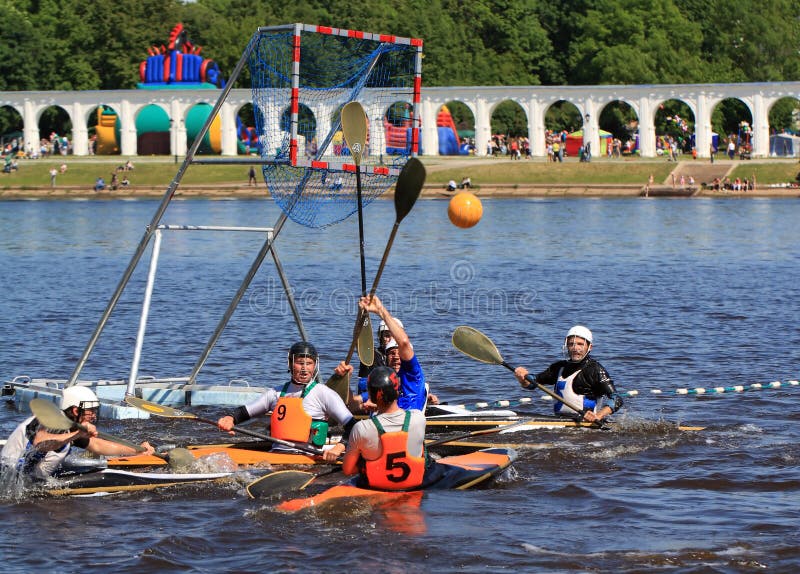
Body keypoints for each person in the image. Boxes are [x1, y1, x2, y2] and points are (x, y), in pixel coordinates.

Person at [217, 342, 354, 462]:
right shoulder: (275, 394)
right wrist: (230, 419)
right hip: (276, 456)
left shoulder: (324, 393)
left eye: (309, 363)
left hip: (307, 458)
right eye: (300, 363)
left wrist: (339, 448)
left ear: (315, 365)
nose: (305, 369)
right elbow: (243, 412)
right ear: (290, 363)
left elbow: (354, 427)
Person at [1, 387, 155, 480]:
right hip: (10, 478)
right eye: (91, 411)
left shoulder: (70, 426)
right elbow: (41, 443)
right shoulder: (49, 421)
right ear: (76, 410)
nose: (94, 416)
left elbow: (98, 445)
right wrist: (76, 435)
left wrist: (138, 451)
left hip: (31, 476)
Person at [335, 295, 432, 413]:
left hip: (407, 423)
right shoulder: (383, 380)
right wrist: (346, 380)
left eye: (399, 353)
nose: (396, 356)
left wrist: (380, 310)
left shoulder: (412, 375)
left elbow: (404, 343)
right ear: (386, 357)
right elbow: (351, 405)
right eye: (391, 353)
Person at [342, 366, 429, 490]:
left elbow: (348, 470)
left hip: (377, 488)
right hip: (413, 487)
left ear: (371, 395)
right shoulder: (419, 418)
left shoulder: (361, 428)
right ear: (398, 390)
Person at [513, 326, 622, 423]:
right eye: (571, 344)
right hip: (560, 421)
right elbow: (532, 383)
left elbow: (616, 399)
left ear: (589, 347)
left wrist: (598, 416)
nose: (575, 348)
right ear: (567, 346)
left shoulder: (595, 370)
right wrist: (522, 378)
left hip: (586, 424)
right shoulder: (558, 367)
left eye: (580, 344)